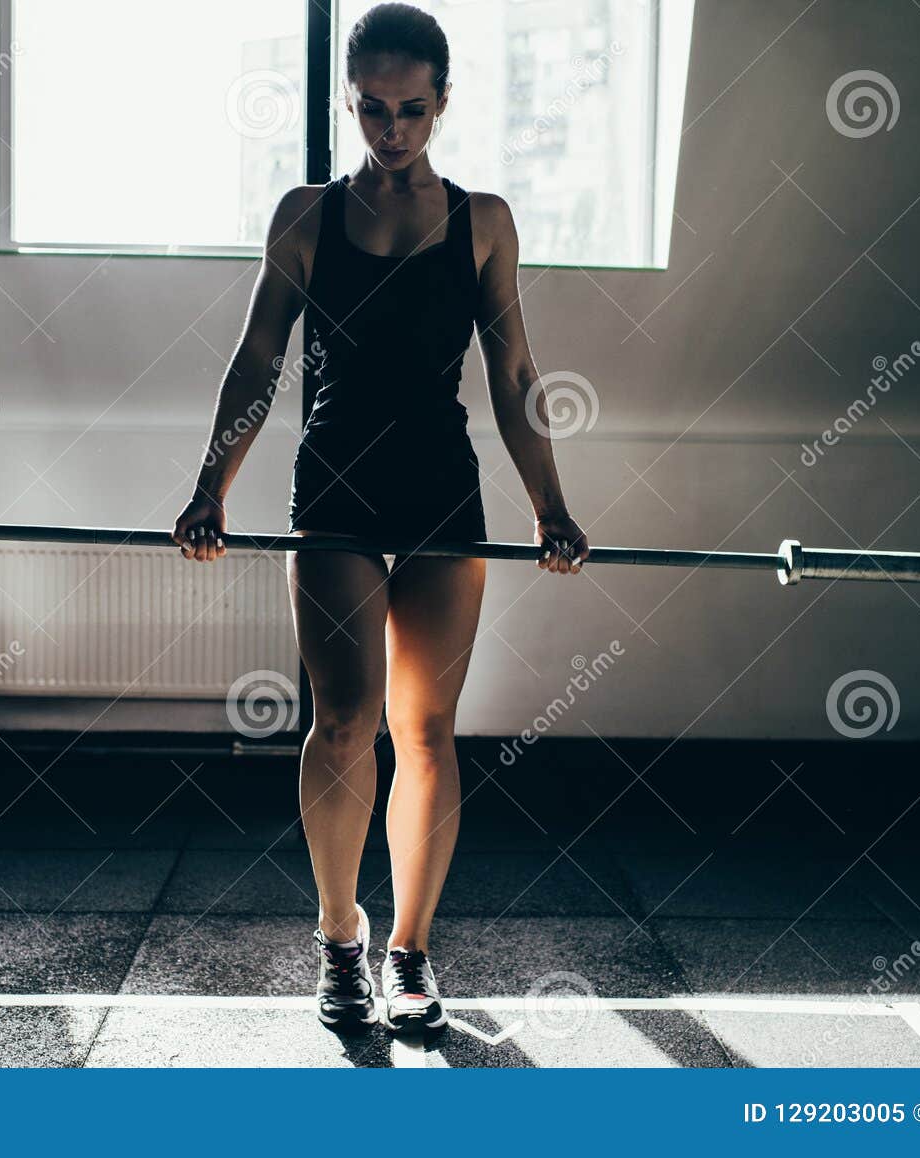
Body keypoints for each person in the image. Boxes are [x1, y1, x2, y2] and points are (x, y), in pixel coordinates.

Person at [173, 2, 587, 1036]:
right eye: (371, 107)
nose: (391, 127)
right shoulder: (305, 216)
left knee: (427, 729)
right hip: (335, 489)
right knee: (347, 719)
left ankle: (410, 952)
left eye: (410, 108)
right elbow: (256, 363)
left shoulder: (483, 221)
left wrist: (552, 507)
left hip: (440, 486)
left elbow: (515, 374)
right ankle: (338, 940)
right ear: (349, 102)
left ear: (442, 103)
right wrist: (211, 488)